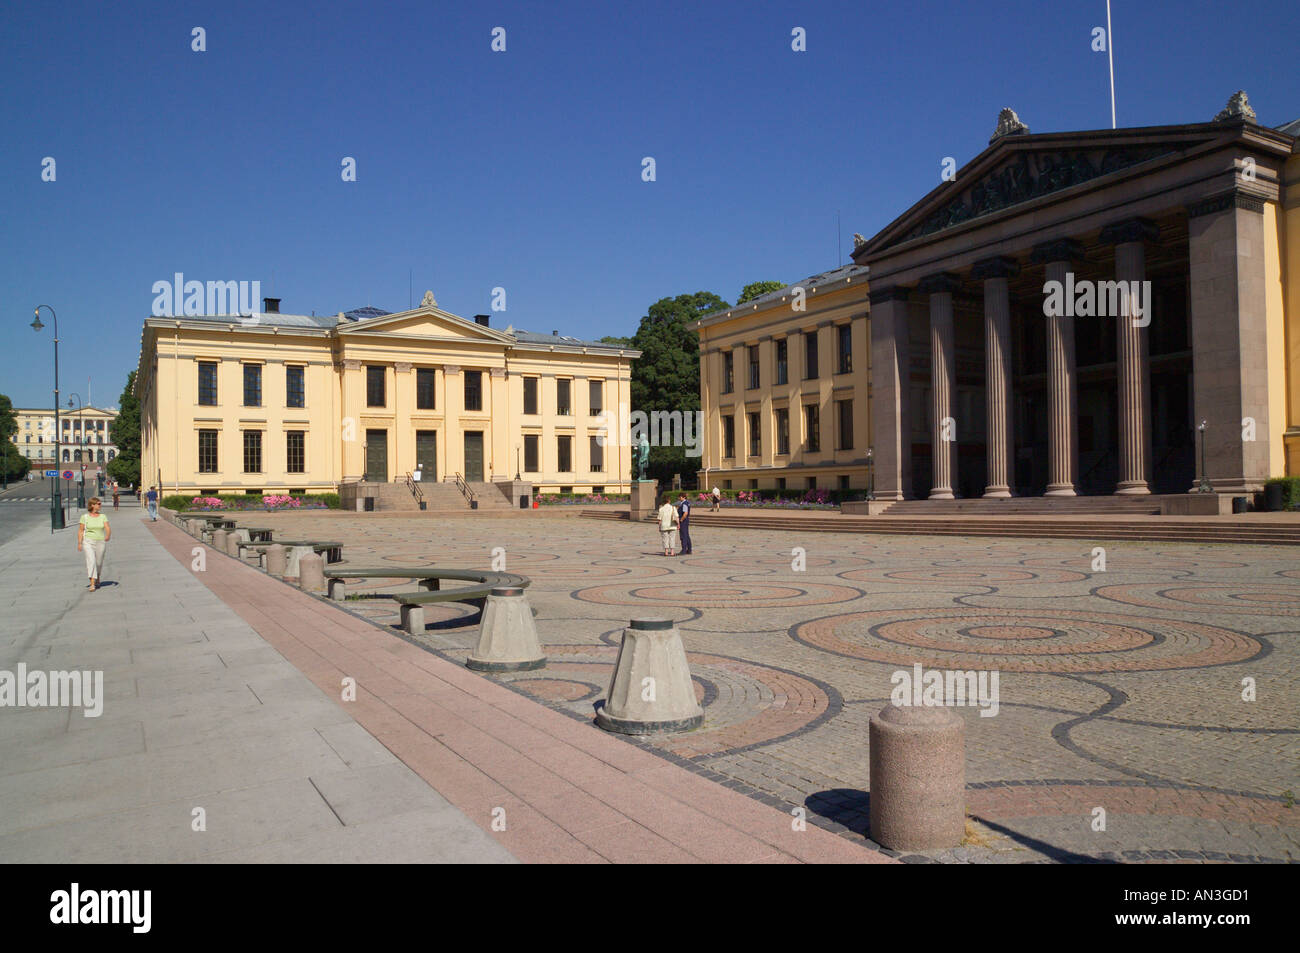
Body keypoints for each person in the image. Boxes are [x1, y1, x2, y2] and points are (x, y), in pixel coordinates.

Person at [77, 496, 111, 591]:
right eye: (99, 504)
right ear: (92, 505)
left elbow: (107, 527)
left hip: (100, 541)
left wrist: (108, 535)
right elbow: (80, 530)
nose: (100, 505)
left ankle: (97, 577)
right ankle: (92, 583)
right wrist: (79, 543)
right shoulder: (85, 517)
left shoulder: (103, 516)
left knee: (99, 562)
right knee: (91, 561)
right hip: (88, 541)